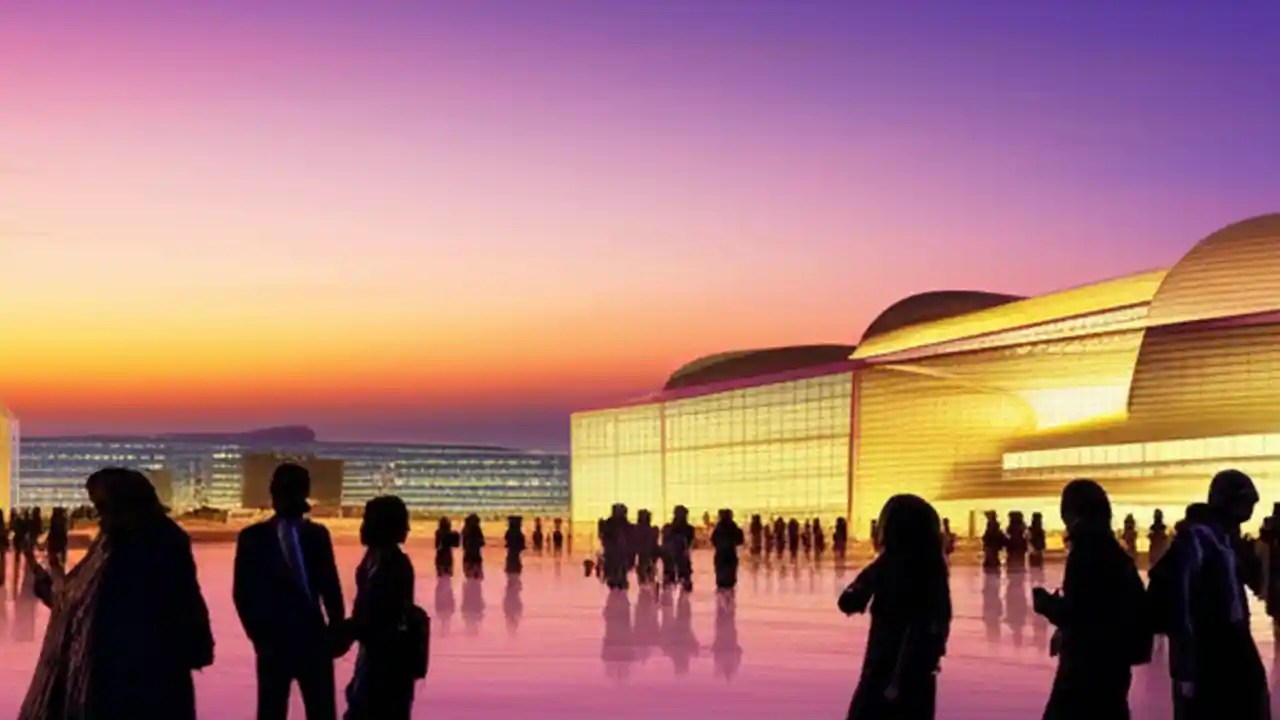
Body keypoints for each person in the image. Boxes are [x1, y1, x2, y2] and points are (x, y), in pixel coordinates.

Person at [20, 468, 214, 720]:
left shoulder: (159, 541)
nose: (99, 513)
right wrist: (48, 585)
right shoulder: (111, 541)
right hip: (102, 670)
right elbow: (80, 595)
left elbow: (181, 603)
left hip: (140, 673)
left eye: (103, 504)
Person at [234, 463, 346, 720]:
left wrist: (335, 628)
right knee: (272, 710)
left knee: (320, 710)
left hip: (313, 640)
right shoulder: (253, 537)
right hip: (275, 642)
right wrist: (260, 638)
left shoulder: (316, 535)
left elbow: (330, 586)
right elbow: (243, 594)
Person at [1156, 469, 1269, 719]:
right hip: (1209, 658)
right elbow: (1178, 603)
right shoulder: (1197, 540)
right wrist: (1186, 668)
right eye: (1245, 502)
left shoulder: (1224, 540)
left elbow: (1255, 582)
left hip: (1231, 652)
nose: (1249, 511)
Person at [1033, 479, 1149, 719]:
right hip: (1113, 667)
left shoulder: (1087, 552)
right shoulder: (1113, 553)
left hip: (1086, 668)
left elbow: (1083, 615)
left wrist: (1047, 605)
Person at [839, 495, 951, 720]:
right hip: (919, 674)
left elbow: (849, 601)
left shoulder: (889, 564)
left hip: (884, 668)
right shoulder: (933, 568)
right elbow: (941, 620)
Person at [343, 496, 419, 720]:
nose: (362, 527)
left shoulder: (391, 564)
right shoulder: (377, 560)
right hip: (379, 659)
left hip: (386, 663)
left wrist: (345, 632)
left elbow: (378, 614)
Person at [662, 506, 695, 592]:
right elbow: (690, 542)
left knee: (670, 580)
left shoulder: (668, 528)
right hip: (680, 557)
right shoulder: (688, 529)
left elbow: (664, 543)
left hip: (674, 558)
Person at [600, 504, 632, 590]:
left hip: (618, 554)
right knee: (616, 574)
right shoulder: (621, 524)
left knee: (617, 574)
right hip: (616, 554)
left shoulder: (610, 524)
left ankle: (617, 583)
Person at [711, 509, 745, 591]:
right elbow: (740, 540)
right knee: (730, 578)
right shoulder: (733, 527)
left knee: (721, 577)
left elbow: (713, 540)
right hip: (730, 553)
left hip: (721, 554)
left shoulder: (718, 528)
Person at [634, 510, 659, 586]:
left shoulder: (636, 530)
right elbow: (655, 546)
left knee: (643, 582)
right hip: (649, 558)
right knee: (649, 581)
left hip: (642, 559)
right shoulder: (652, 531)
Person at [461, 514, 485, 580]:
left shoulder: (465, 529)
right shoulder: (477, 529)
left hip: (467, 555)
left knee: (468, 577)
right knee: (477, 577)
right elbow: (482, 542)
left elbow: (463, 543)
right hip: (476, 555)